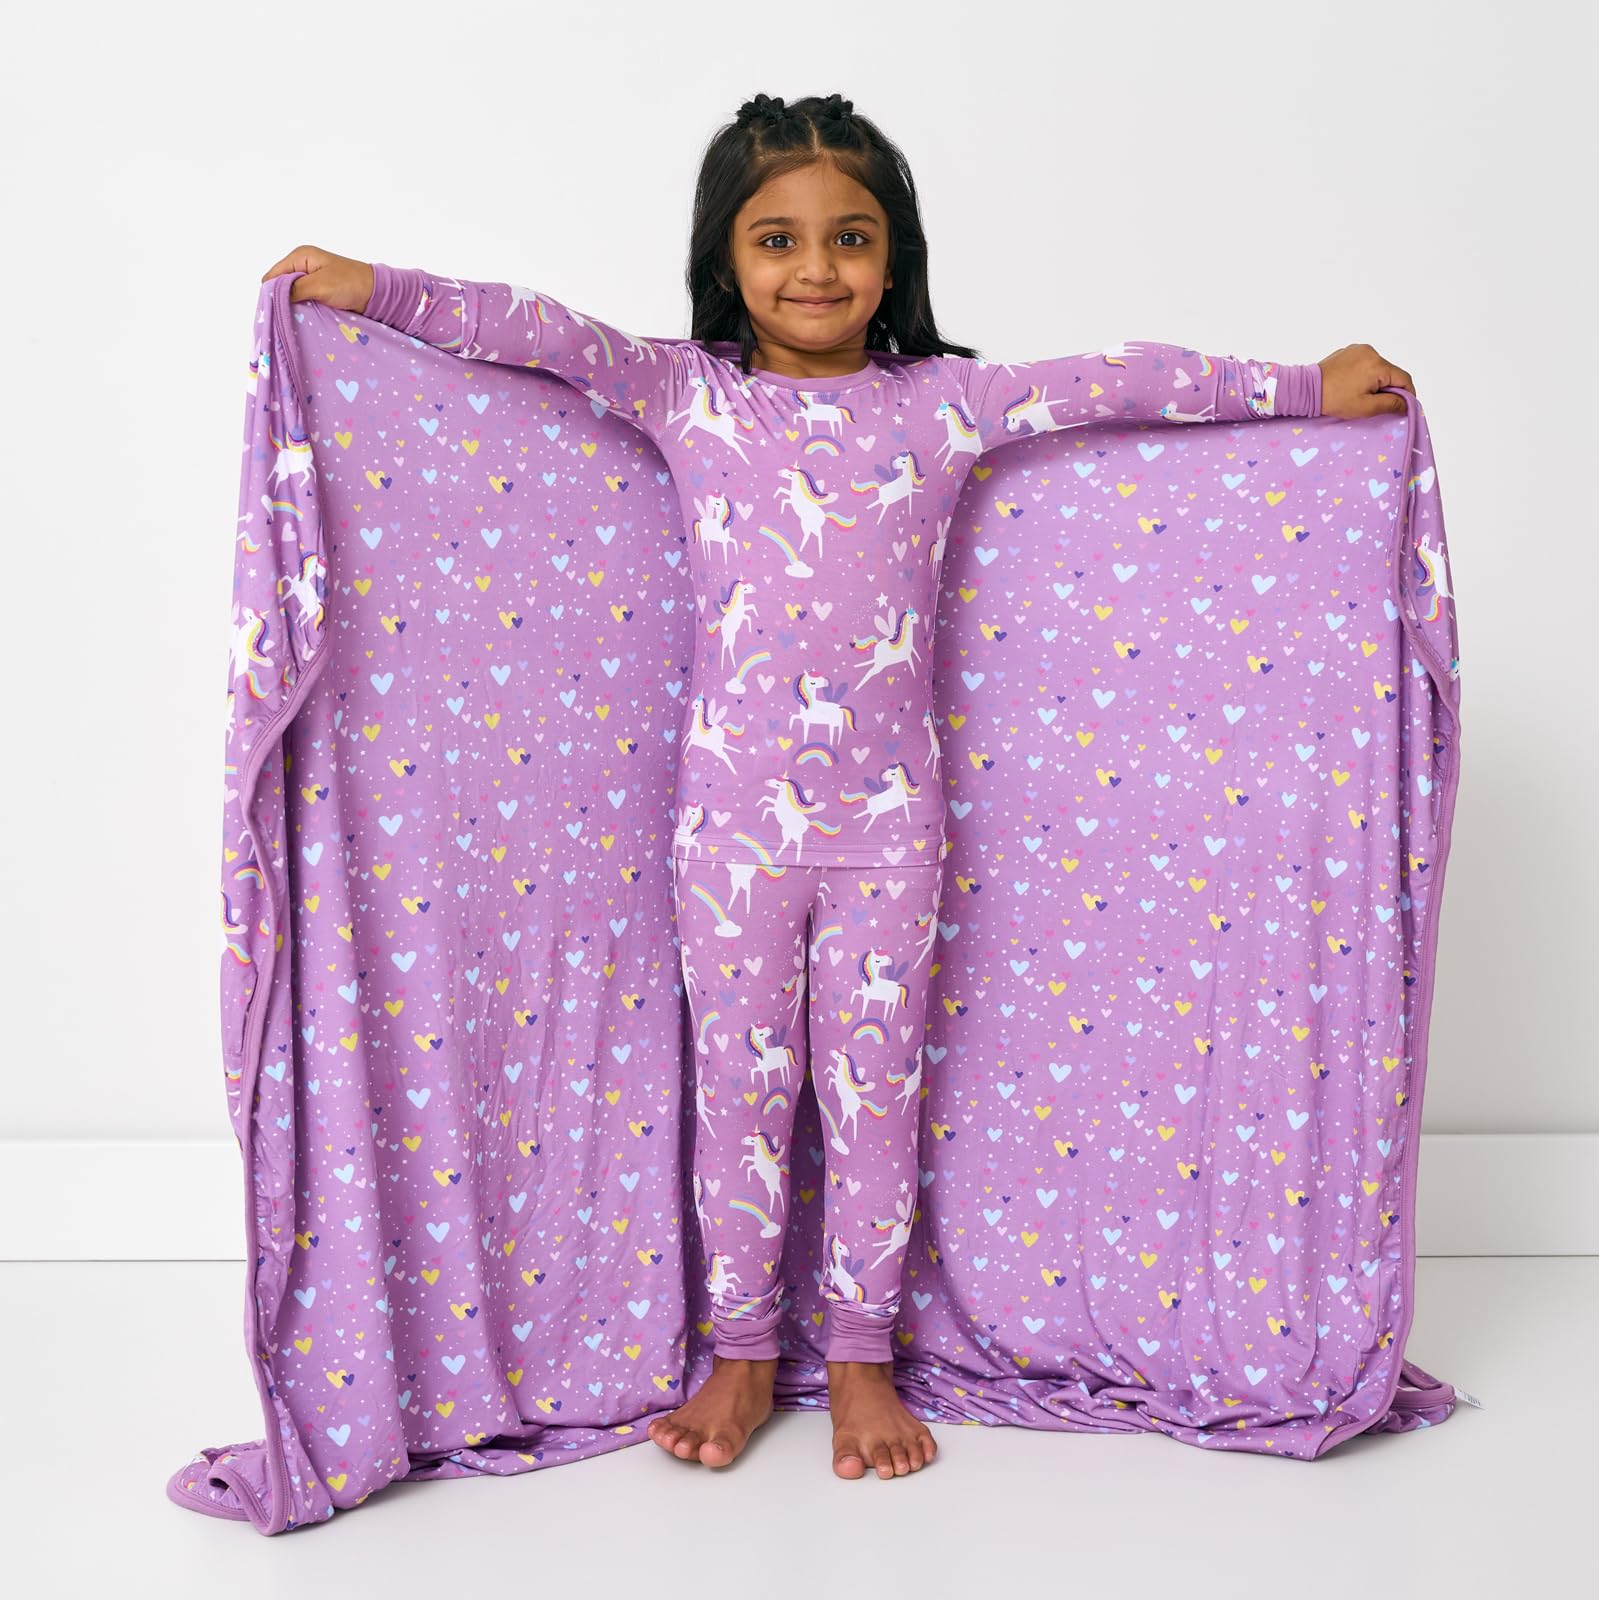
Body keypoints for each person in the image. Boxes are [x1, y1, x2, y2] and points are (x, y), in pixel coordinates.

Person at [260, 90, 1417, 1484]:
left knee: (876, 1099)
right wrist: (377, 290)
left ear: (894, 255)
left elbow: (1121, 381)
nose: (817, 267)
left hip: (889, 836)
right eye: (779, 239)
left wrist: (1302, 388)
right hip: (733, 840)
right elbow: (538, 331)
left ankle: (863, 1355)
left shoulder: (945, 406)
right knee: (739, 1099)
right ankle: (743, 1352)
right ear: (726, 254)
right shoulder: (688, 395)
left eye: (851, 237)